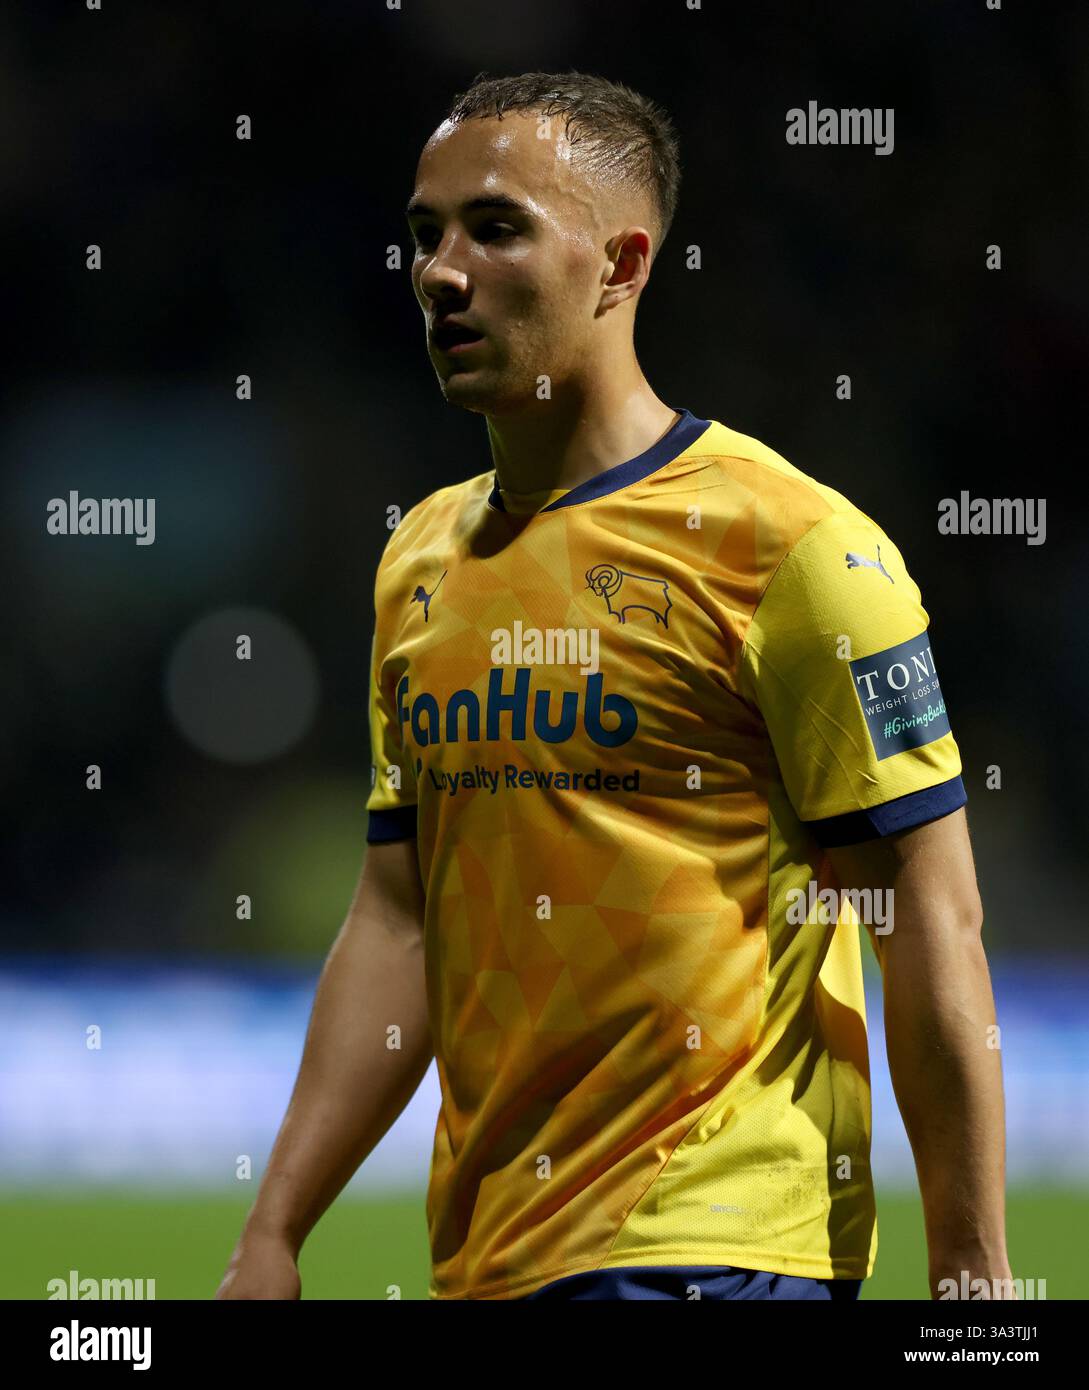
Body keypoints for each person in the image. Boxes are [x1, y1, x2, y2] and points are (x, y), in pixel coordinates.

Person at [217, 70, 1012, 1302]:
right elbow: (399, 916)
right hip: (491, 1258)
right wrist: (273, 1231)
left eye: (495, 228)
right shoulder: (418, 558)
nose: (440, 273)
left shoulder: (795, 550)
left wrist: (970, 1269)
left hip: (720, 1247)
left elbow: (926, 911)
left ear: (621, 264)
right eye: (425, 234)